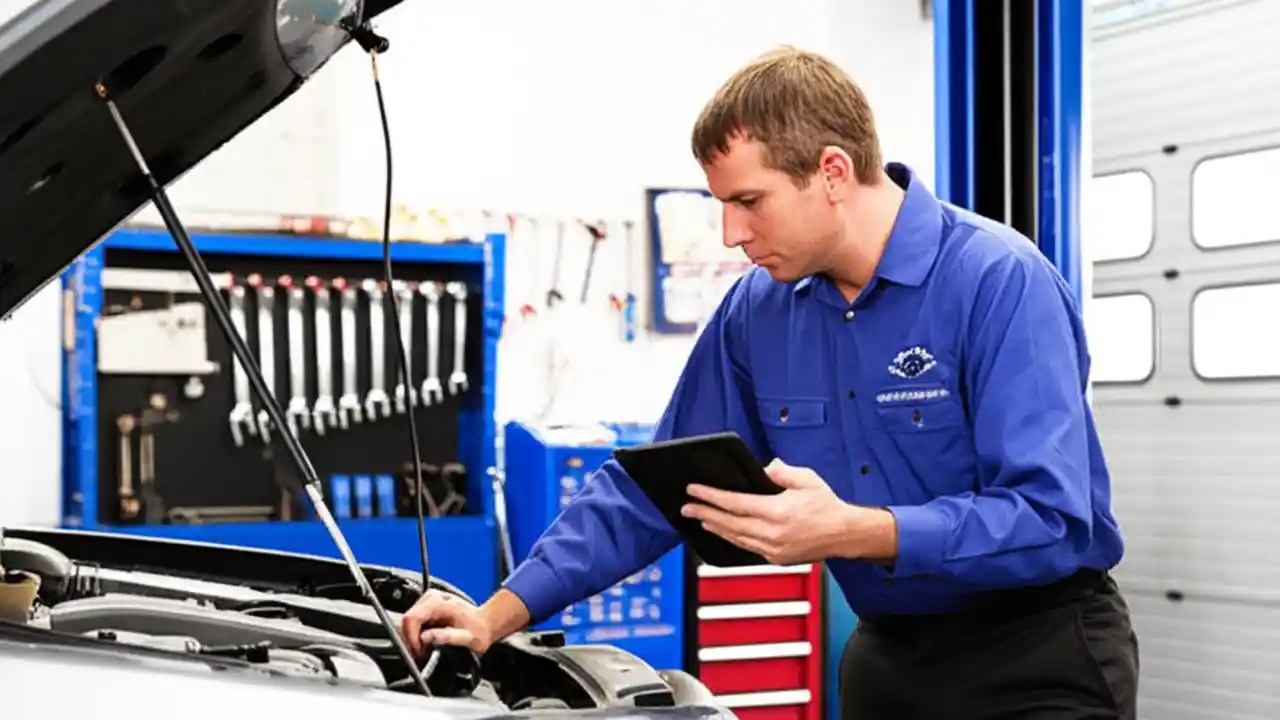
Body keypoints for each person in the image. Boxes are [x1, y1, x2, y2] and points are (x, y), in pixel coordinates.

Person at [400, 46, 1140, 719]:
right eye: (720, 204)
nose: (729, 233)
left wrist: (857, 529)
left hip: (1037, 663)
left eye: (748, 202)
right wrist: (497, 614)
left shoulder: (998, 281)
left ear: (832, 173)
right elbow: (651, 490)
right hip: (891, 663)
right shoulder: (758, 311)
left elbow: (1053, 517)